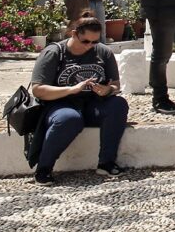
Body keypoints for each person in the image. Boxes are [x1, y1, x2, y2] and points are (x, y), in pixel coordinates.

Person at [28, 14, 130, 183]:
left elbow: (116, 85)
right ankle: (44, 168)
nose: (90, 46)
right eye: (85, 41)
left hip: (93, 103)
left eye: (95, 42)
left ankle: (106, 162)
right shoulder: (54, 53)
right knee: (69, 119)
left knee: (118, 105)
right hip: (60, 103)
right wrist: (71, 89)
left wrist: (107, 90)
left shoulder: (103, 52)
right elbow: (38, 90)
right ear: (74, 34)